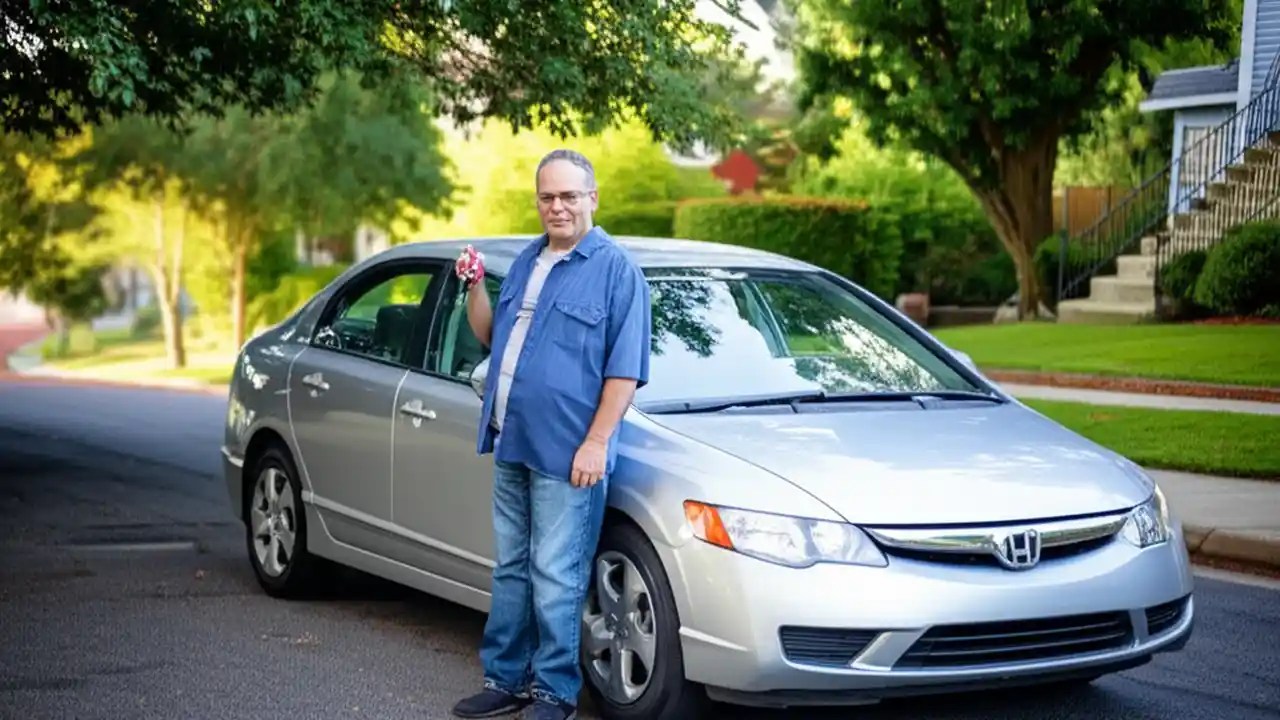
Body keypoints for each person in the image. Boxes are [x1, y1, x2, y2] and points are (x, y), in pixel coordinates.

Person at [451, 149, 652, 720]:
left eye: (568, 196)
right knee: (511, 566)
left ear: (592, 198)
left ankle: (553, 693)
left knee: (557, 574)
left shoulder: (617, 271)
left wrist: (596, 442)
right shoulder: (527, 261)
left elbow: (625, 370)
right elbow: (493, 338)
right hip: (510, 437)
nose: (556, 207)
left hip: (569, 453)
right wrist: (474, 288)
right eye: (547, 197)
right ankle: (505, 680)